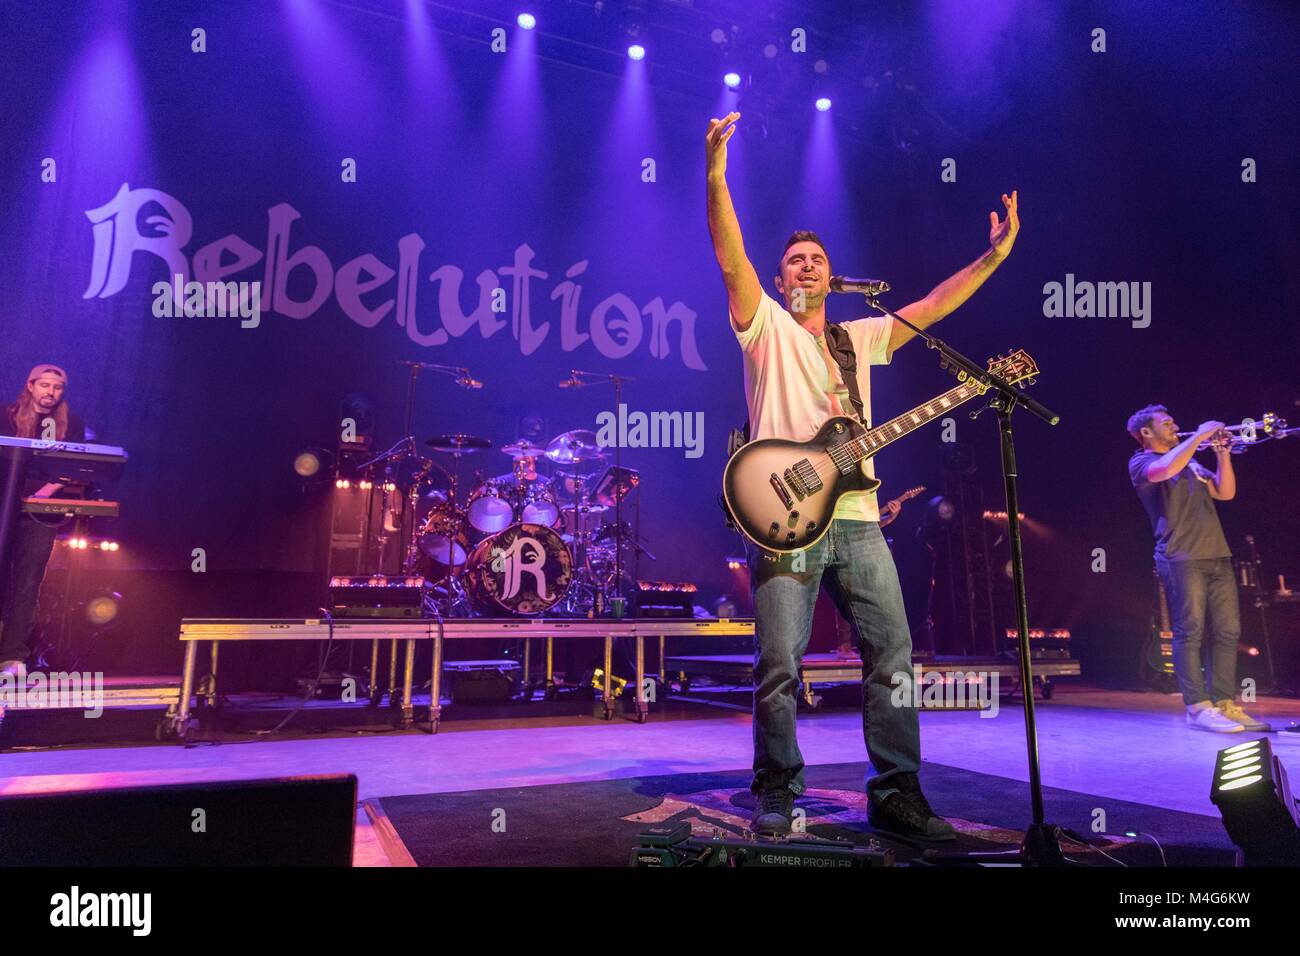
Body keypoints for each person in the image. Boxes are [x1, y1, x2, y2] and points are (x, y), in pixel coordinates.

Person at [705, 111, 1019, 840]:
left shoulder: (859, 337)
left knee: (895, 655)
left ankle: (897, 792)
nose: (808, 266)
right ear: (781, 283)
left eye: (817, 258)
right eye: (795, 262)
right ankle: (776, 788)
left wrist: (994, 257)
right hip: (784, 519)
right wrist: (717, 176)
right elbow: (729, 259)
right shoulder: (766, 327)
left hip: (858, 521)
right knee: (780, 663)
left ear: (831, 275)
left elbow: (933, 307)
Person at [1127, 405, 1269, 733]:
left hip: (1217, 554)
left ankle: (1224, 703)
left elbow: (1225, 492)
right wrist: (1201, 435)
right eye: (1167, 422)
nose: (1176, 425)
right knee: (1189, 631)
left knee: (1228, 631)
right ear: (1147, 433)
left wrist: (1222, 455)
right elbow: (1163, 469)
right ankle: (1197, 706)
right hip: (1180, 557)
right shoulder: (1141, 462)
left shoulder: (1190, 461)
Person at [0, 365, 86, 678]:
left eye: (57, 387)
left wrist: (43, 493)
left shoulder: (70, 422)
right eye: (44, 385)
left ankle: (12, 657)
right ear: (31, 386)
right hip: (4, 504)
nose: (50, 392)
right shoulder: (7, 415)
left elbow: (71, 466)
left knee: (26, 582)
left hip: (40, 510)